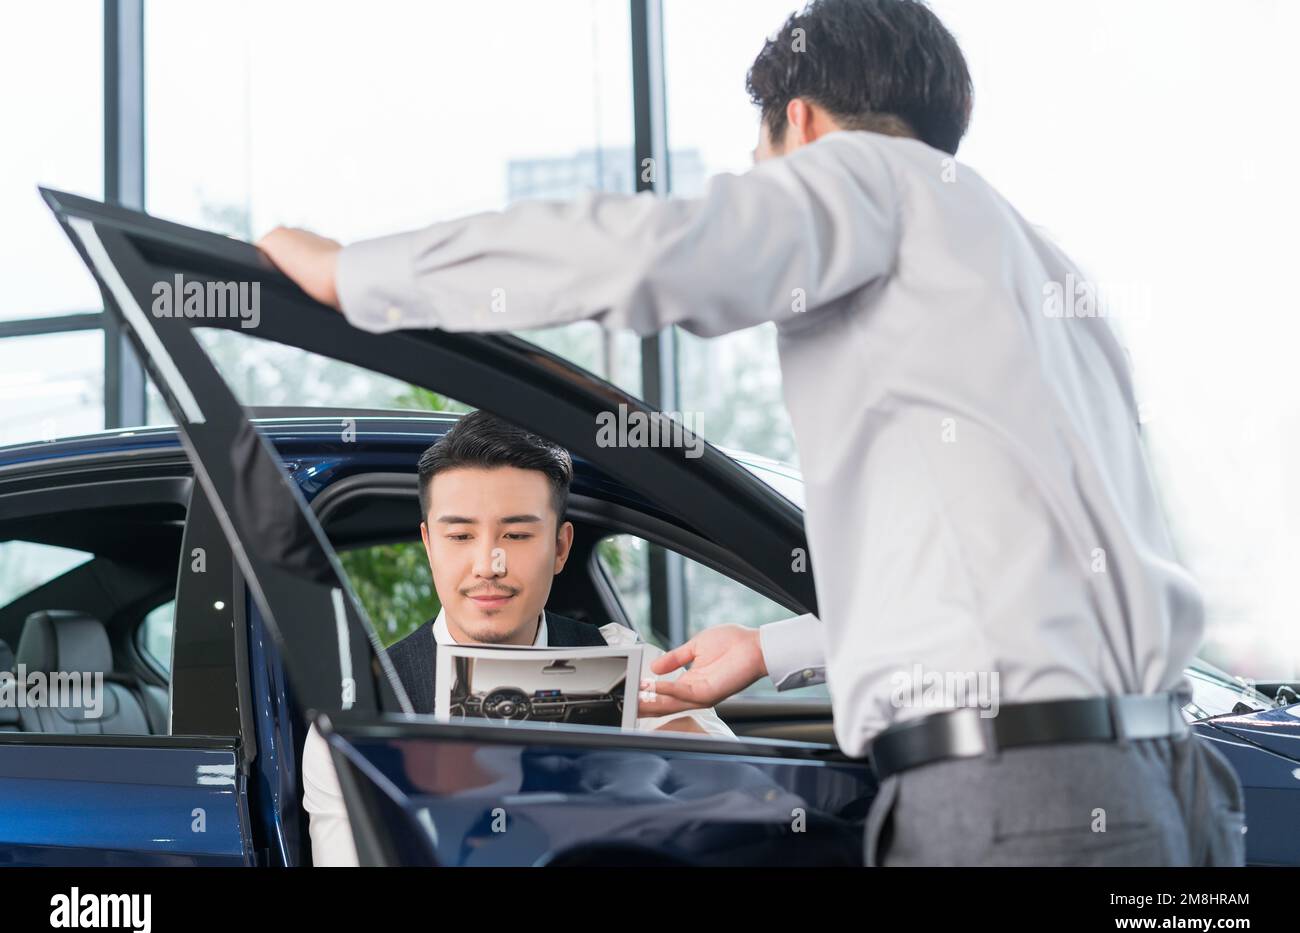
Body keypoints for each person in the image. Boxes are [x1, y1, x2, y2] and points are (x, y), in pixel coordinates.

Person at [263, 0, 1245, 865]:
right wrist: (769, 653)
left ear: (803, 122)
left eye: (760, 162)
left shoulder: (862, 176)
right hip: (1165, 782)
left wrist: (356, 274)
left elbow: (645, 251)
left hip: (1019, 802)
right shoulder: (1037, 271)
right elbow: (1004, 591)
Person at [301, 411, 732, 866]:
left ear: (561, 547)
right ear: (429, 545)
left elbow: (739, 807)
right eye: (461, 535)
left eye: (518, 534)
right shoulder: (359, 713)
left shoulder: (622, 659)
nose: (490, 563)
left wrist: (676, 760)